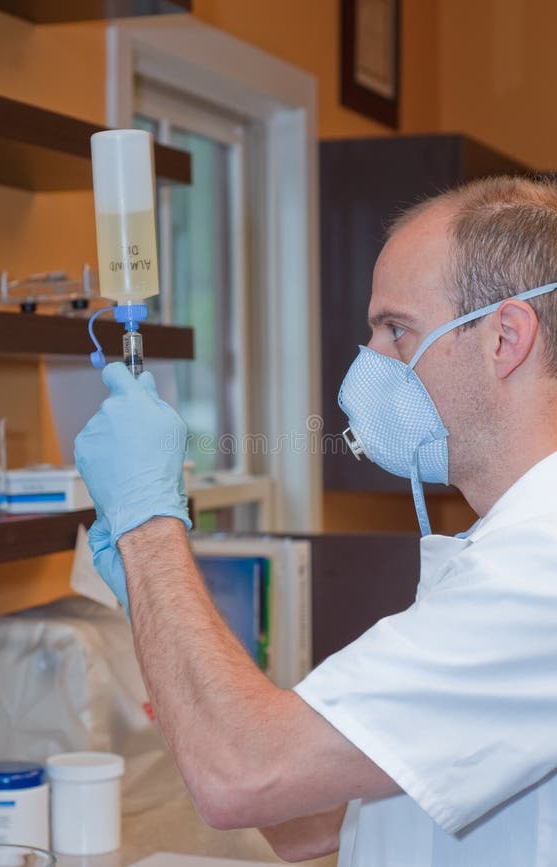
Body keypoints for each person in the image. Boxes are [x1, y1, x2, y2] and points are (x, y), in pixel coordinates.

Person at [75, 175, 557, 866]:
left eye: (396, 329)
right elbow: (304, 820)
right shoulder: (502, 546)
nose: (368, 365)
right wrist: (148, 591)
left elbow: (240, 774)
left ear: (505, 338)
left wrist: (149, 532)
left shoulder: (537, 566)